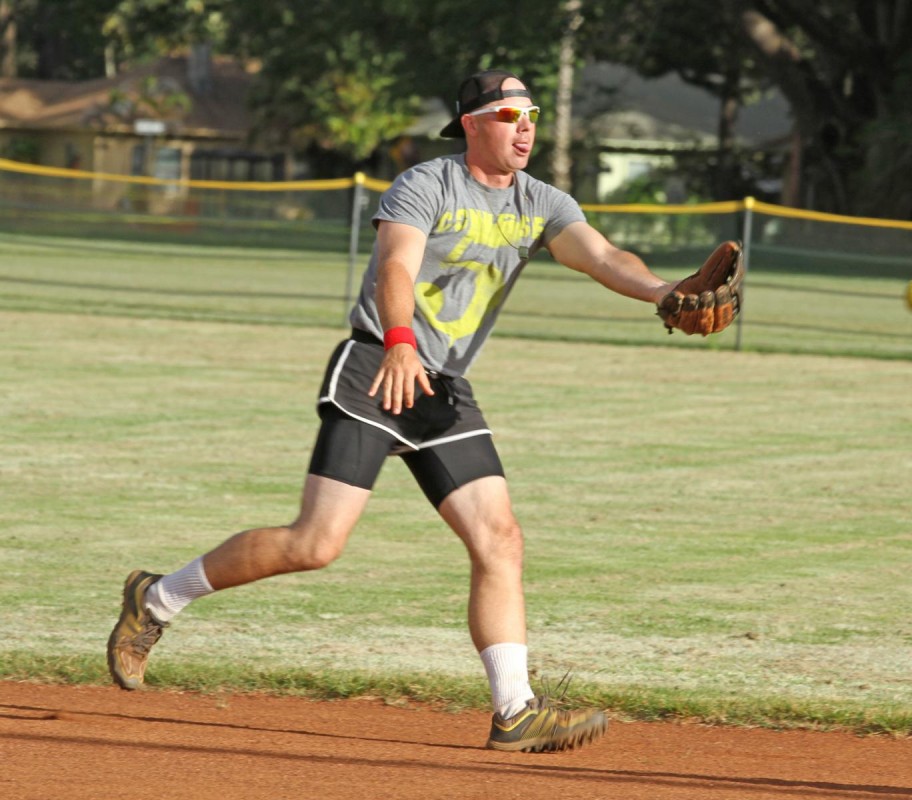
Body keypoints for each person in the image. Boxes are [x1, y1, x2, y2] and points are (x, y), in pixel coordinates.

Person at [107, 68, 686, 753]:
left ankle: (515, 709)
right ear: (471, 124)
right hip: (377, 368)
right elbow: (395, 268)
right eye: (508, 114)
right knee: (315, 545)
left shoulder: (541, 201)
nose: (524, 126)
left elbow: (601, 255)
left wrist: (663, 293)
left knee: (500, 539)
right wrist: (401, 344)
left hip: (443, 390)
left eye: (530, 114)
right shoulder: (427, 184)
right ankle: (158, 598)